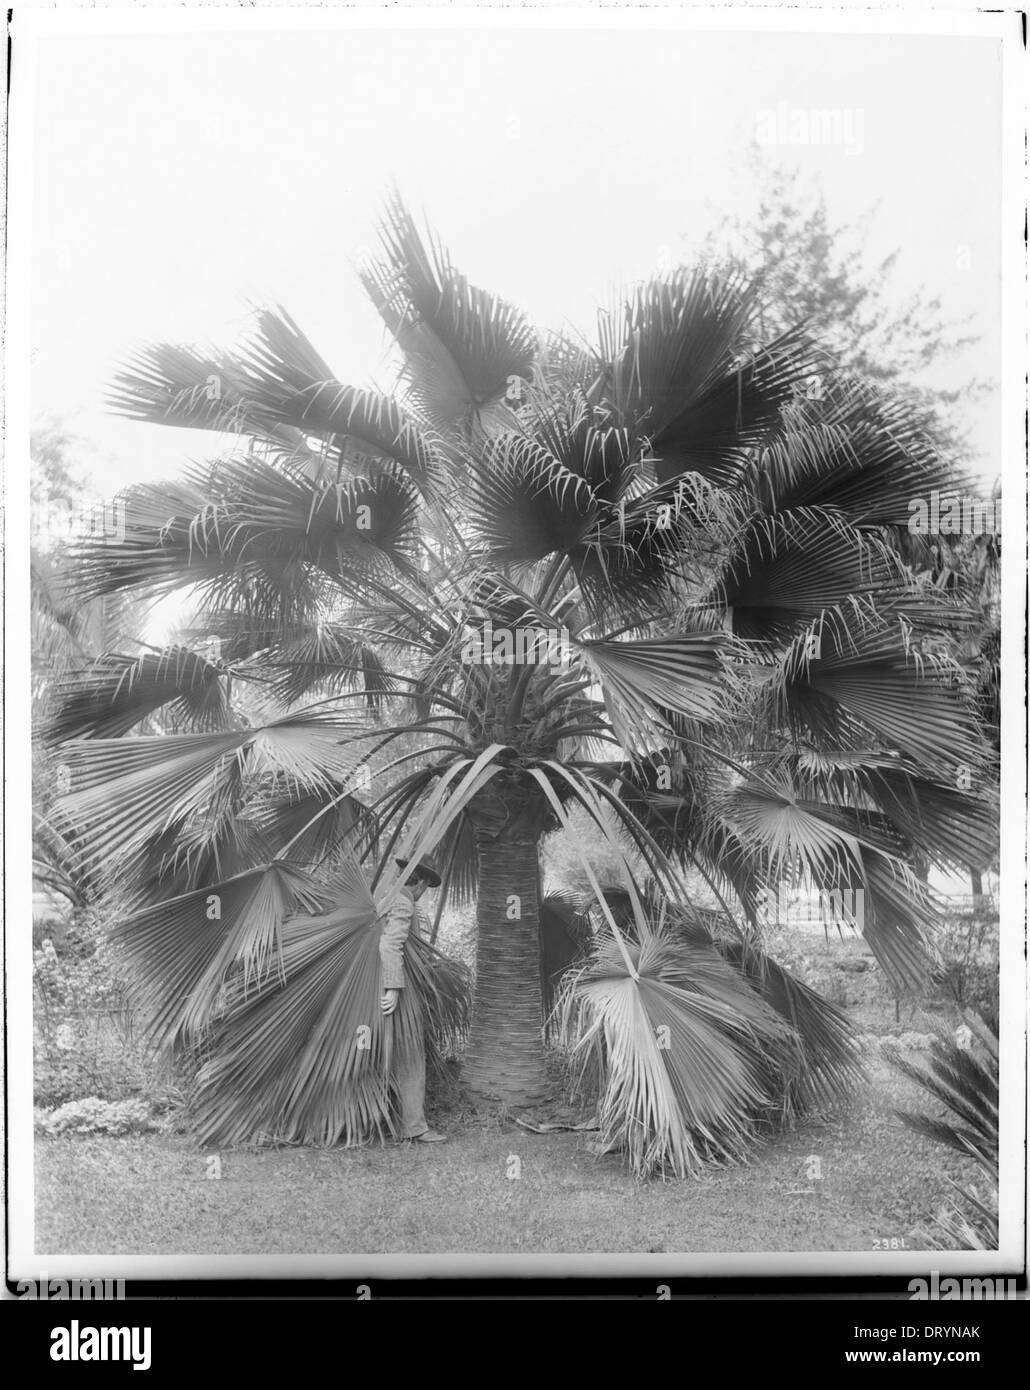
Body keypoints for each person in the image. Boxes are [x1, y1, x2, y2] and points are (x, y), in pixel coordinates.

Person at [379, 853, 447, 1143]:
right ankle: (414, 1127)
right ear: (418, 883)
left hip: (373, 984)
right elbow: (390, 944)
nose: (422, 896)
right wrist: (394, 988)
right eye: (424, 889)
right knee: (410, 1056)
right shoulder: (404, 901)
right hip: (396, 990)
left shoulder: (382, 895)